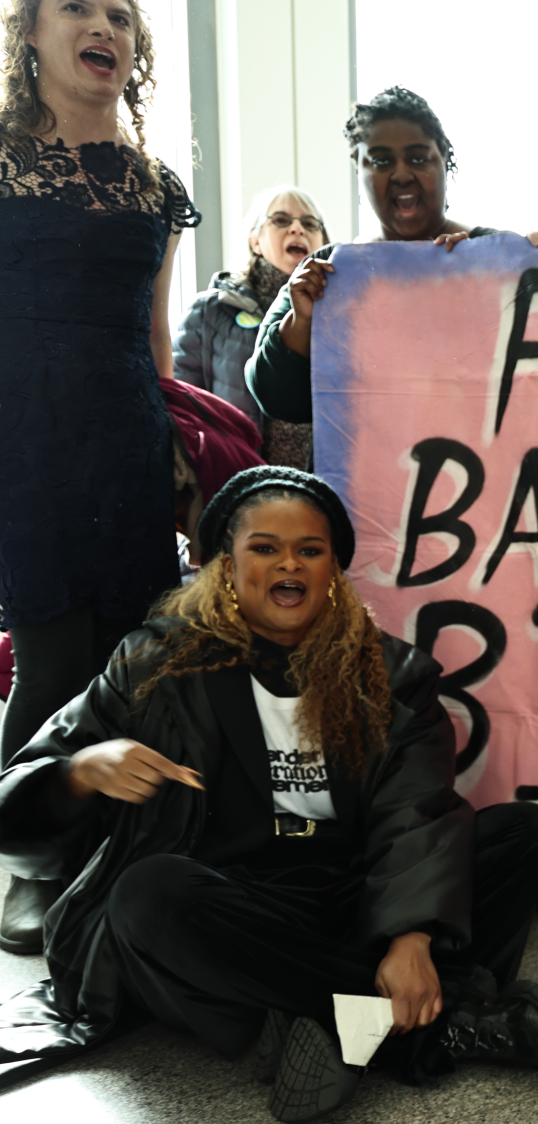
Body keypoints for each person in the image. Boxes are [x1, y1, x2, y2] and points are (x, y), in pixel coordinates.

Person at [0, 467, 538, 1121]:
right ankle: (446, 1022)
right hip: (230, 899)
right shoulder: (151, 664)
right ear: (225, 564)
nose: (287, 565)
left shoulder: (393, 674)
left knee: (527, 833)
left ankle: (326, 1020)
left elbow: (417, 807)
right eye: (264, 548)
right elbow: (13, 807)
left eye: (310, 549)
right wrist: (81, 772)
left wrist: (410, 936)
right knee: (147, 894)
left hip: (355, 893)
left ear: (334, 568)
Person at [0, 0, 199, 956]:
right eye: (78, 8)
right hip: (21, 433)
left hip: (124, 428)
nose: (106, 28)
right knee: (49, 662)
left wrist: (174, 444)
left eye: (121, 15)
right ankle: (28, 859)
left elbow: (157, 333)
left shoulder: (157, 185)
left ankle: (108, 852)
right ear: (28, 33)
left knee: (129, 656)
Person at [246, 87, 511, 457]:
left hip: (481, 484)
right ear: (359, 167)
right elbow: (276, 398)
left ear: (444, 159)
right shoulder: (327, 272)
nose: (401, 174)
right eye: (382, 161)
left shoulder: (501, 258)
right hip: (362, 497)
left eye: (418, 159)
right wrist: (304, 322)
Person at [173, 183, 329, 470]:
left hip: (321, 489)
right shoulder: (210, 310)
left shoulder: (341, 314)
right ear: (255, 240)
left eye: (310, 223)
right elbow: (180, 407)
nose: (297, 229)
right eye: (281, 220)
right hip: (236, 486)